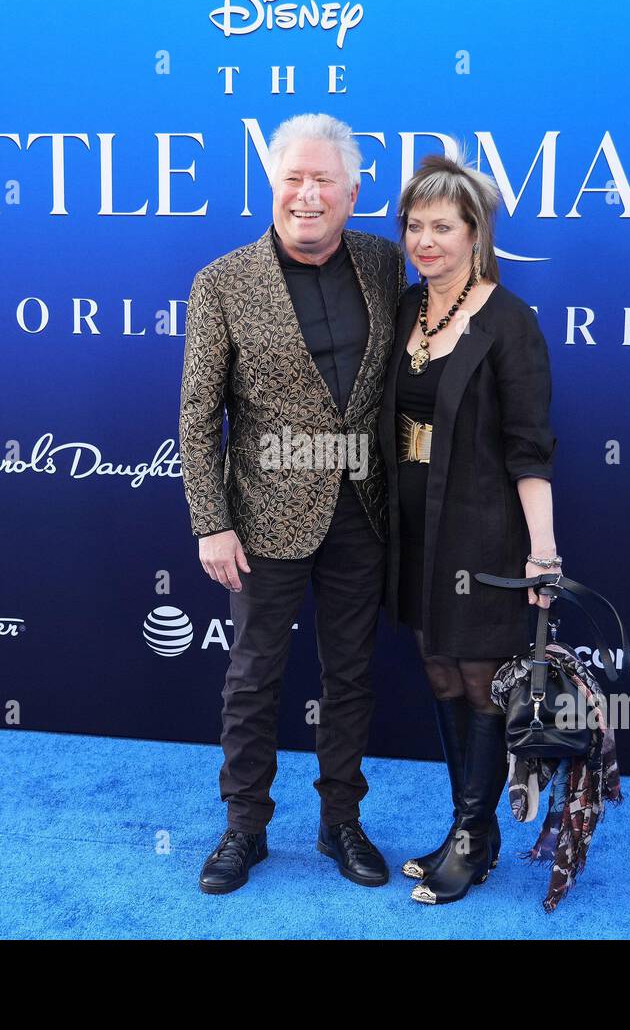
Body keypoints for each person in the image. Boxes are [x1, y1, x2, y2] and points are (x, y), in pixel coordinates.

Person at [179, 113, 407, 895]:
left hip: (363, 511)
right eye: (292, 180)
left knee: (350, 674)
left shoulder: (383, 263)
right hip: (264, 512)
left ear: (352, 191)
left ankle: (341, 821)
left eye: (323, 182)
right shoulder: (222, 281)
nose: (306, 196)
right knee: (253, 676)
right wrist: (211, 521)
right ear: (271, 186)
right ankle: (244, 828)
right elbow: (197, 412)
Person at [378, 154, 560, 905]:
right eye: (414, 226)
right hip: (414, 531)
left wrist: (542, 553)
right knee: (440, 672)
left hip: (485, 535)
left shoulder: (509, 323)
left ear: (475, 233)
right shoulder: (404, 311)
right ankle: (469, 827)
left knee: (484, 680)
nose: (425, 241)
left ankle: (472, 836)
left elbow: (530, 448)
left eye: (442, 227)